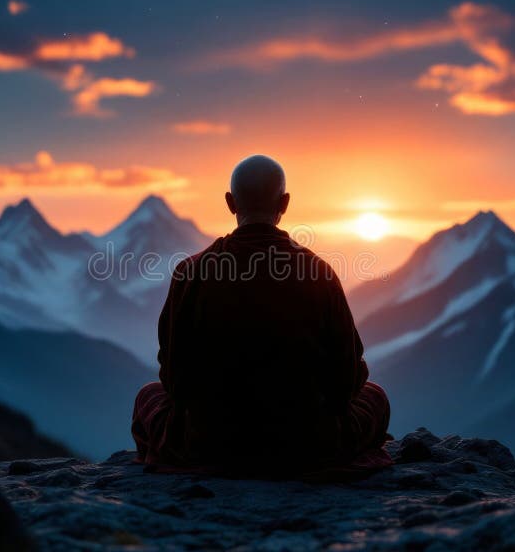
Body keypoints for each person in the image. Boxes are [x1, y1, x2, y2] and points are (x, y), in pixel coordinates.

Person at [131, 155, 391, 477]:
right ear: (285, 203)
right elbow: (347, 380)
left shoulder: (191, 272)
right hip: (307, 443)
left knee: (148, 396)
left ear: (230, 203)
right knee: (375, 396)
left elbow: (173, 378)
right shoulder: (319, 273)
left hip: (208, 442)